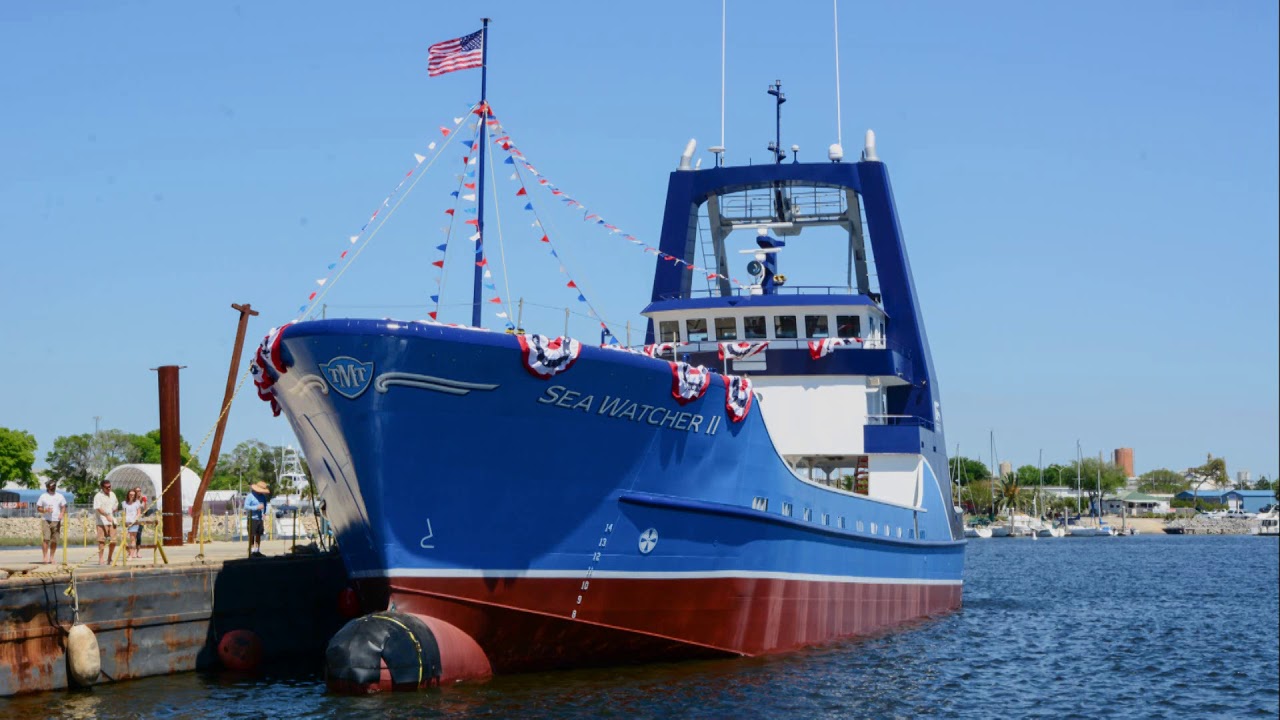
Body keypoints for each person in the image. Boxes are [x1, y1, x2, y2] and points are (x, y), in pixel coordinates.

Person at [35, 480, 68, 564]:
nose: (53, 487)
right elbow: (38, 508)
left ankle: (52, 557)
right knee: (46, 538)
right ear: (48, 487)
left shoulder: (60, 496)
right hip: (46, 519)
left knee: (54, 540)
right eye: (52, 486)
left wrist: (61, 514)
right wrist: (45, 510)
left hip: (56, 520)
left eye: (54, 485)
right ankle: (45, 557)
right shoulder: (43, 496)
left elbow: (64, 506)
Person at [93, 478, 120, 565]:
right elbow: (98, 508)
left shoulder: (113, 494)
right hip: (101, 521)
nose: (109, 488)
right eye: (107, 487)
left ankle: (109, 558)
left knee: (113, 540)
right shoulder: (98, 496)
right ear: (102, 487)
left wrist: (115, 508)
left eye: (110, 487)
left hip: (112, 520)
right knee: (101, 541)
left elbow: (116, 503)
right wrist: (106, 515)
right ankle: (101, 559)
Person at [245, 481, 270, 557]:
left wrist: (264, 513)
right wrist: (256, 507)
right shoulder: (250, 496)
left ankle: (257, 550)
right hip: (252, 518)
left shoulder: (263, 497)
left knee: (259, 534)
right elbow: (246, 506)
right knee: (252, 534)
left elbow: (265, 506)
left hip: (259, 518)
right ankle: (252, 550)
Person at [122, 488, 143, 559]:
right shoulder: (124, 503)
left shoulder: (137, 503)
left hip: (134, 522)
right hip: (126, 522)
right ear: (128, 495)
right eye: (130, 494)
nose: (132, 496)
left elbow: (139, 513)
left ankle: (131, 555)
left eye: (133, 495)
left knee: (132, 539)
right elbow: (124, 512)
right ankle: (130, 552)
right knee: (123, 539)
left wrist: (135, 520)